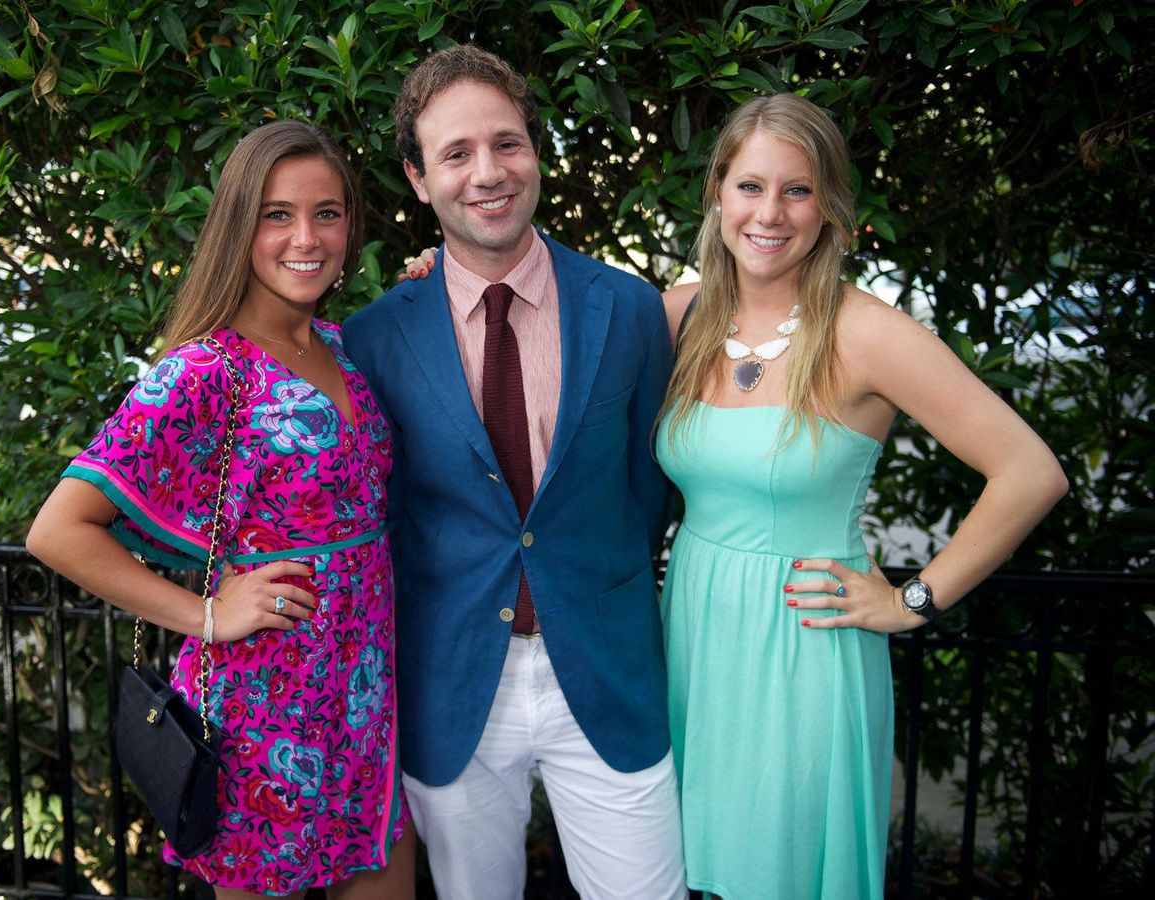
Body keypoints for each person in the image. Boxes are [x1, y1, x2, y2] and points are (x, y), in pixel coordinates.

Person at [656, 93, 1068, 899]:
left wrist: (912, 600)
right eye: (749, 186)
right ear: (716, 193)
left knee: (779, 874)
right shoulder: (679, 317)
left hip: (803, 644)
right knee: (684, 871)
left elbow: (1031, 471)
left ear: (830, 207)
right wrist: (438, 276)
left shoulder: (867, 333)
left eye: (797, 190)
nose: (770, 212)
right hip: (694, 639)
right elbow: (540, 329)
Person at [27, 120, 415, 900]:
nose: (305, 237)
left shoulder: (340, 348)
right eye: (277, 214)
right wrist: (206, 614)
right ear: (240, 225)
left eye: (327, 213)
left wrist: (433, 281)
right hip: (261, 717)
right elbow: (57, 531)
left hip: (365, 710)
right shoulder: (204, 370)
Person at [342, 44, 687, 900]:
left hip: (605, 670)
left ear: (537, 152)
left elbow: (650, 491)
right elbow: (380, 511)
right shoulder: (376, 339)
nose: (488, 172)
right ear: (419, 180)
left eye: (508, 143)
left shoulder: (630, 307)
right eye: (456, 154)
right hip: (453, 683)